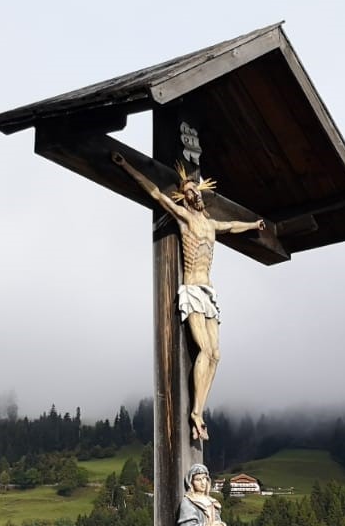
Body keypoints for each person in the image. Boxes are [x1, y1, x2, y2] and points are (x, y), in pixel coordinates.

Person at [113, 152, 265, 442]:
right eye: (188, 191)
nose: (193, 193)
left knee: (216, 355)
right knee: (204, 351)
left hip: (209, 292)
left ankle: (200, 409)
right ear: (184, 197)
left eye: (195, 190)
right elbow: (158, 195)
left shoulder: (211, 224)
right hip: (193, 290)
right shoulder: (185, 218)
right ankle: (195, 412)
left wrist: (253, 226)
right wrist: (127, 167)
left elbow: (232, 226)